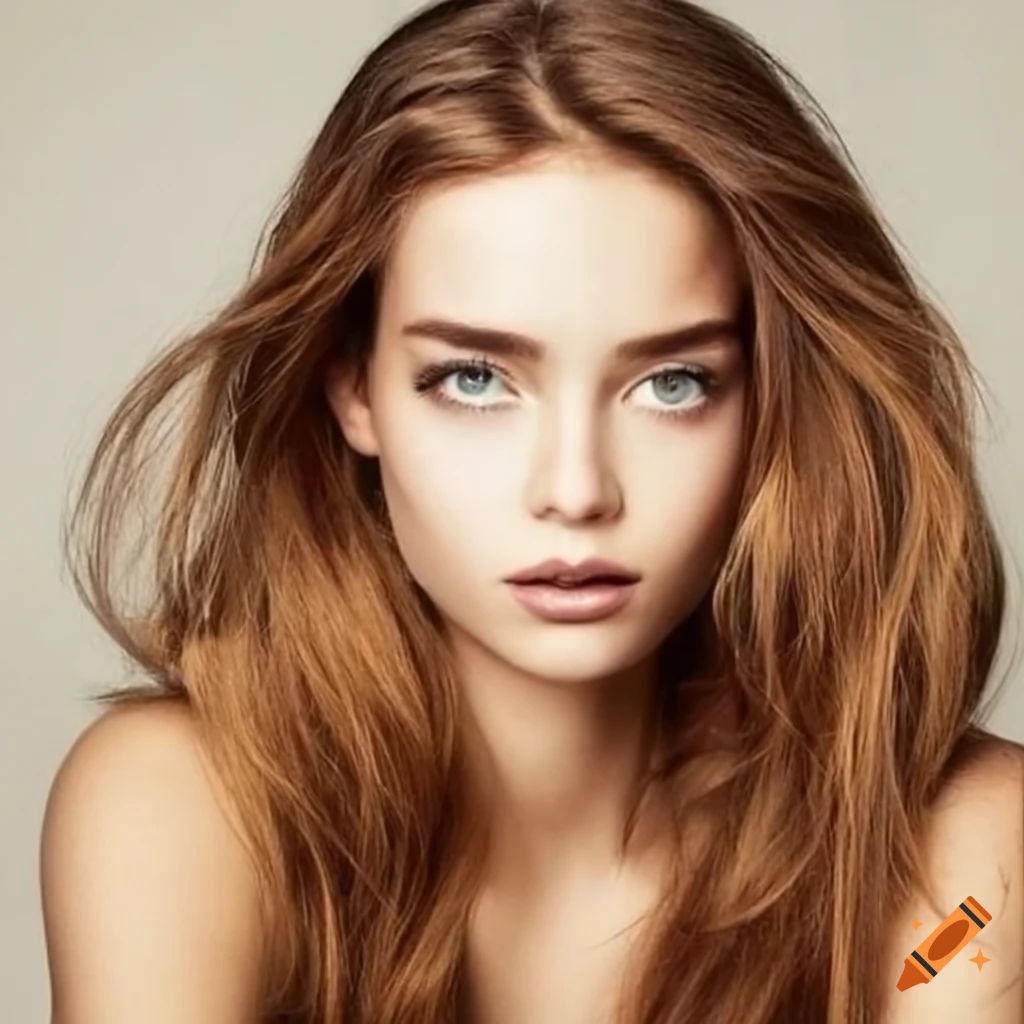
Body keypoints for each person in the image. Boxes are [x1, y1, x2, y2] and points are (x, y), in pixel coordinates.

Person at [40, 0, 1024, 1021]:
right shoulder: (183, 808)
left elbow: (948, 957)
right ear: (354, 389)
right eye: (473, 378)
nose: (574, 490)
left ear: (772, 402)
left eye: (672, 383)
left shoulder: (956, 869)